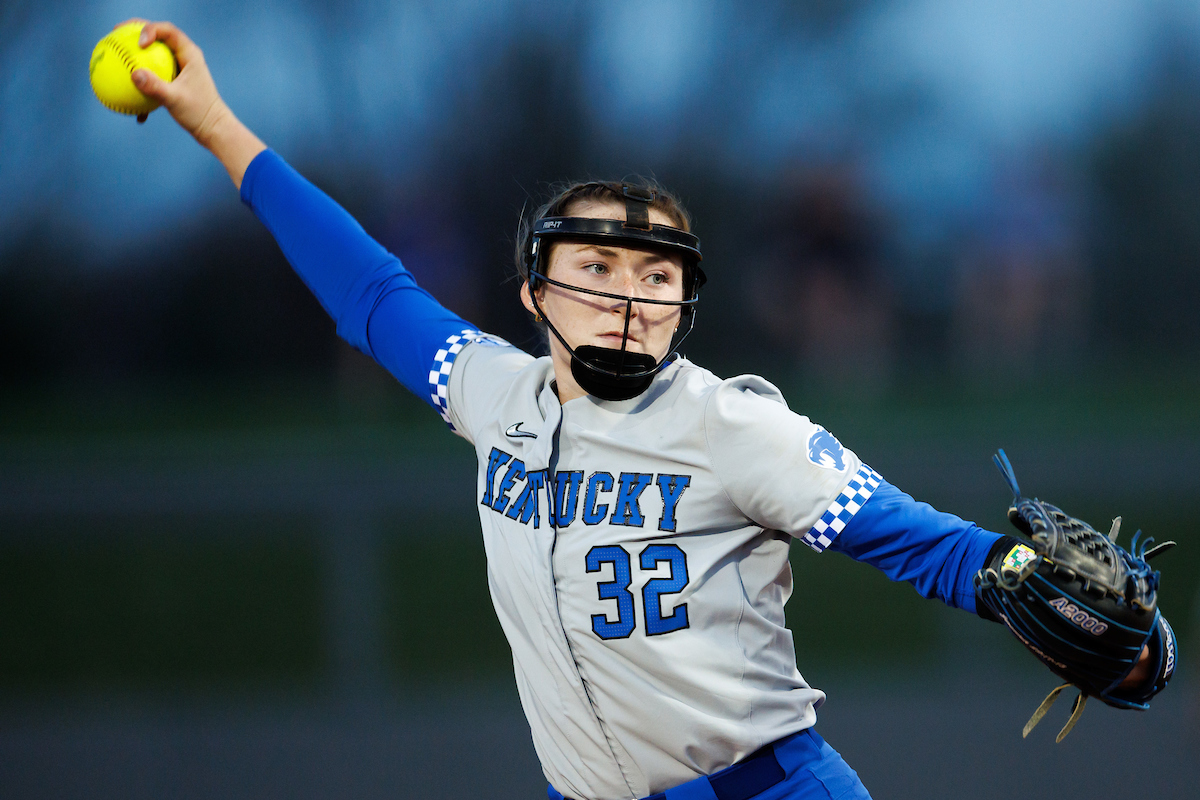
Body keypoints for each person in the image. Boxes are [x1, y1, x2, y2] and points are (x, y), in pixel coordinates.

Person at [124, 20, 1163, 800]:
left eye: (656, 274)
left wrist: (1024, 577)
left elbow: (923, 544)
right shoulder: (491, 391)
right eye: (596, 265)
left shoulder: (732, 425)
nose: (628, 294)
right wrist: (214, 122)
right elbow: (368, 292)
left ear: (685, 301)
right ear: (533, 292)